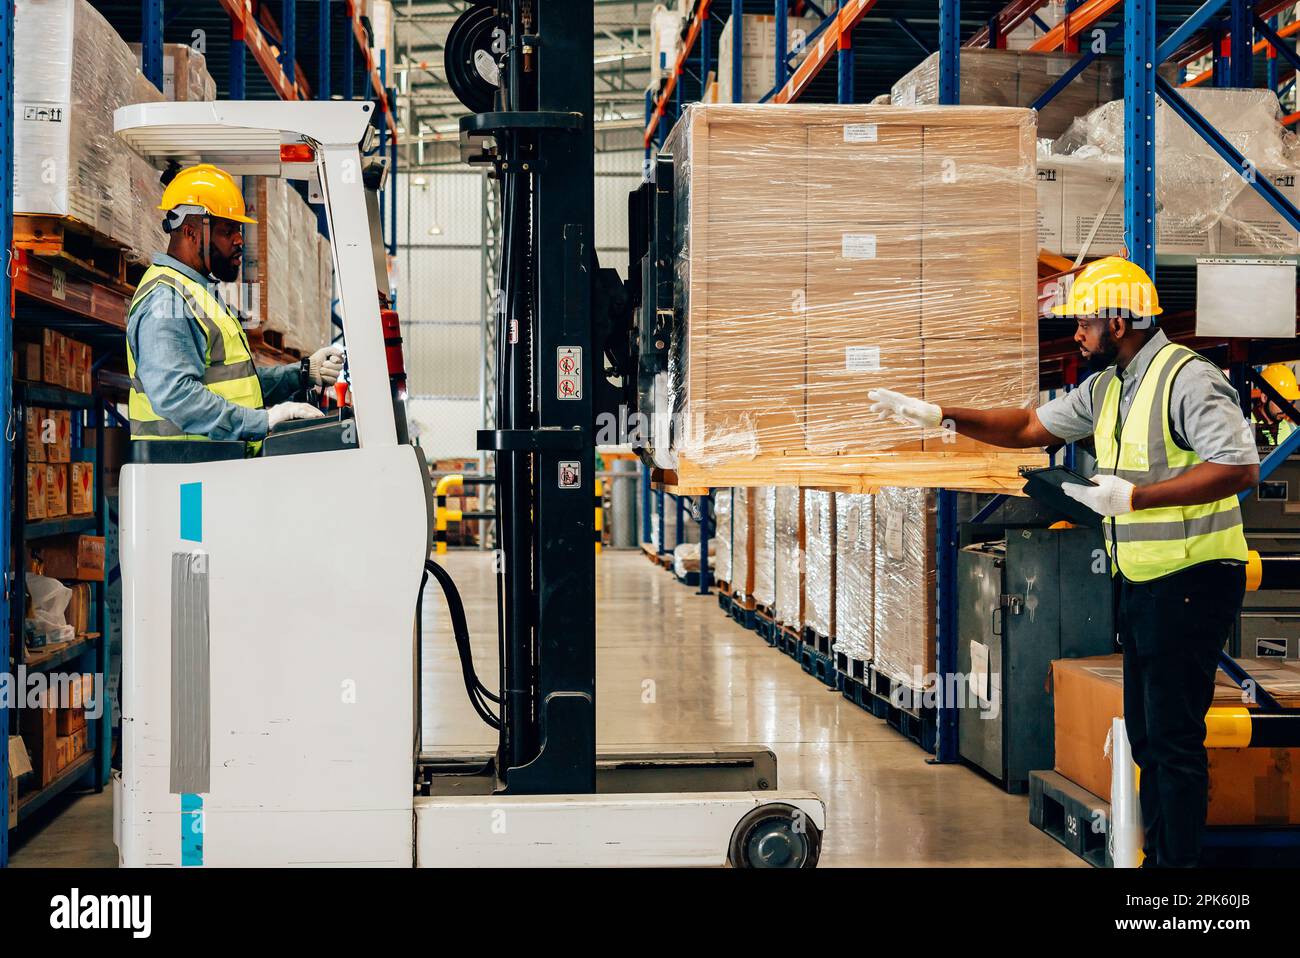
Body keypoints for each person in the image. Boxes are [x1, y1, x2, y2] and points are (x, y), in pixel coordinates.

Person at [868, 256, 1259, 868]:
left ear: (1121, 320)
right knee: (1153, 742)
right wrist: (942, 414)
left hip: (1194, 579)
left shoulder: (1187, 378)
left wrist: (1137, 497)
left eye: (1084, 322)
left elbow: (1238, 467)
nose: (1076, 333)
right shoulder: (1110, 387)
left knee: (1174, 742)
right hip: (1145, 581)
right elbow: (1027, 425)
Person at [126, 163, 343, 450]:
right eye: (228, 231)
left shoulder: (198, 293)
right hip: (186, 474)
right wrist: (263, 421)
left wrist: (302, 373)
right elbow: (176, 395)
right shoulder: (167, 299)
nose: (240, 240)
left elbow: (235, 383)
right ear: (191, 232)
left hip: (210, 465)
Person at [1254, 363, 1298, 447]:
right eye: (1282, 403)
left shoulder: (1291, 429)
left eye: (1290, 403)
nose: (1286, 410)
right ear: (1264, 398)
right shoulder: (1245, 425)